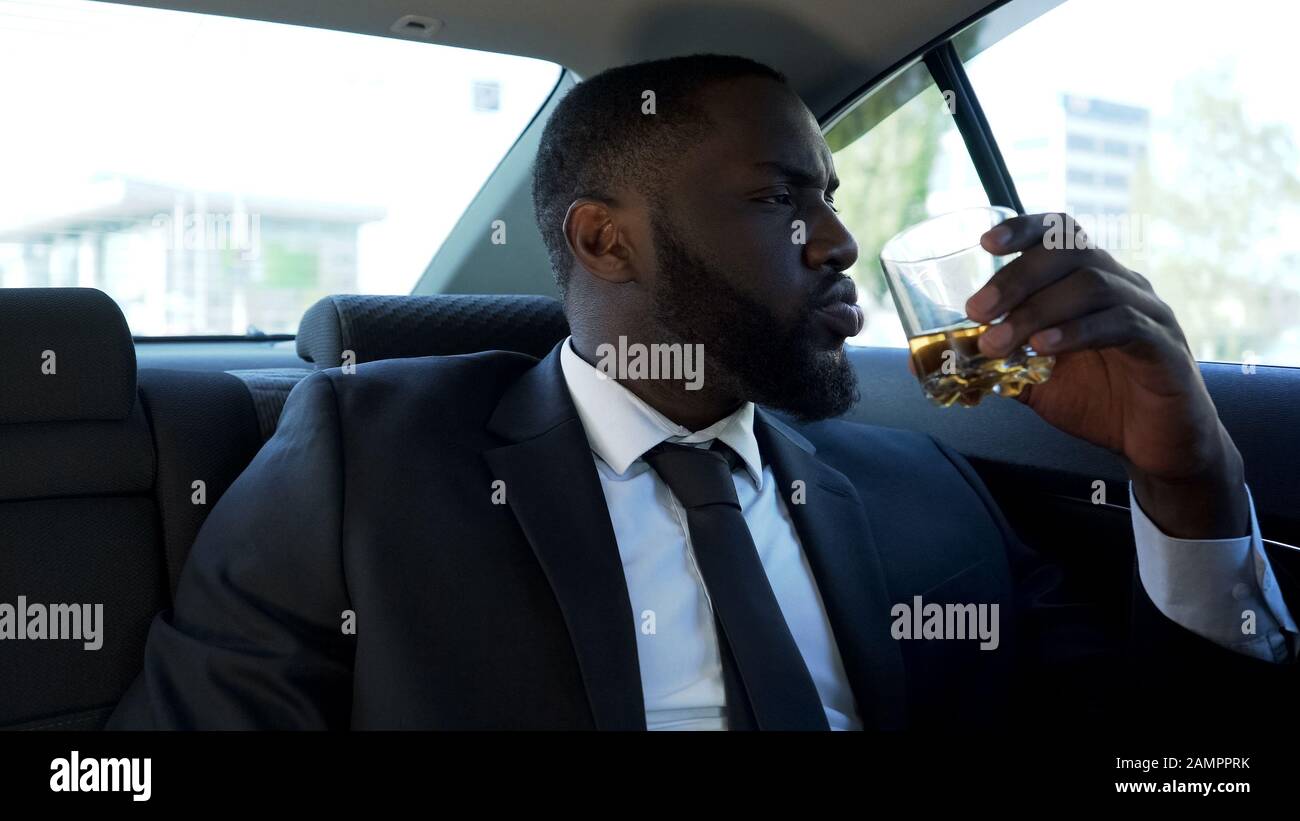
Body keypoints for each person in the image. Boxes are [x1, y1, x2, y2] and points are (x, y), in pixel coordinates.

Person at [110, 54, 1297, 731]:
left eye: (831, 194)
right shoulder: (368, 456)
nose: (838, 237)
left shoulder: (921, 491)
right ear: (605, 242)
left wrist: (1188, 480)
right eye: (782, 197)